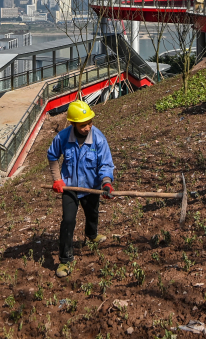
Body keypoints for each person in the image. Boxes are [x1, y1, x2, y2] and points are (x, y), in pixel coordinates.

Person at [48, 99, 115, 278]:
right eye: (83, 125)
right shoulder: (62, 137)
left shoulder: (98, 139)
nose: (87, 127)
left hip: (91, 186)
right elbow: (52, 156)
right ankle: (65, 259)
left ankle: (92, 235)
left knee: (92, 213)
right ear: (73, 124)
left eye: (89, 123)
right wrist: (57, 179)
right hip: (69, 186)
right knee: (68, 221)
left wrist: (106, 182)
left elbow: (106, 163)